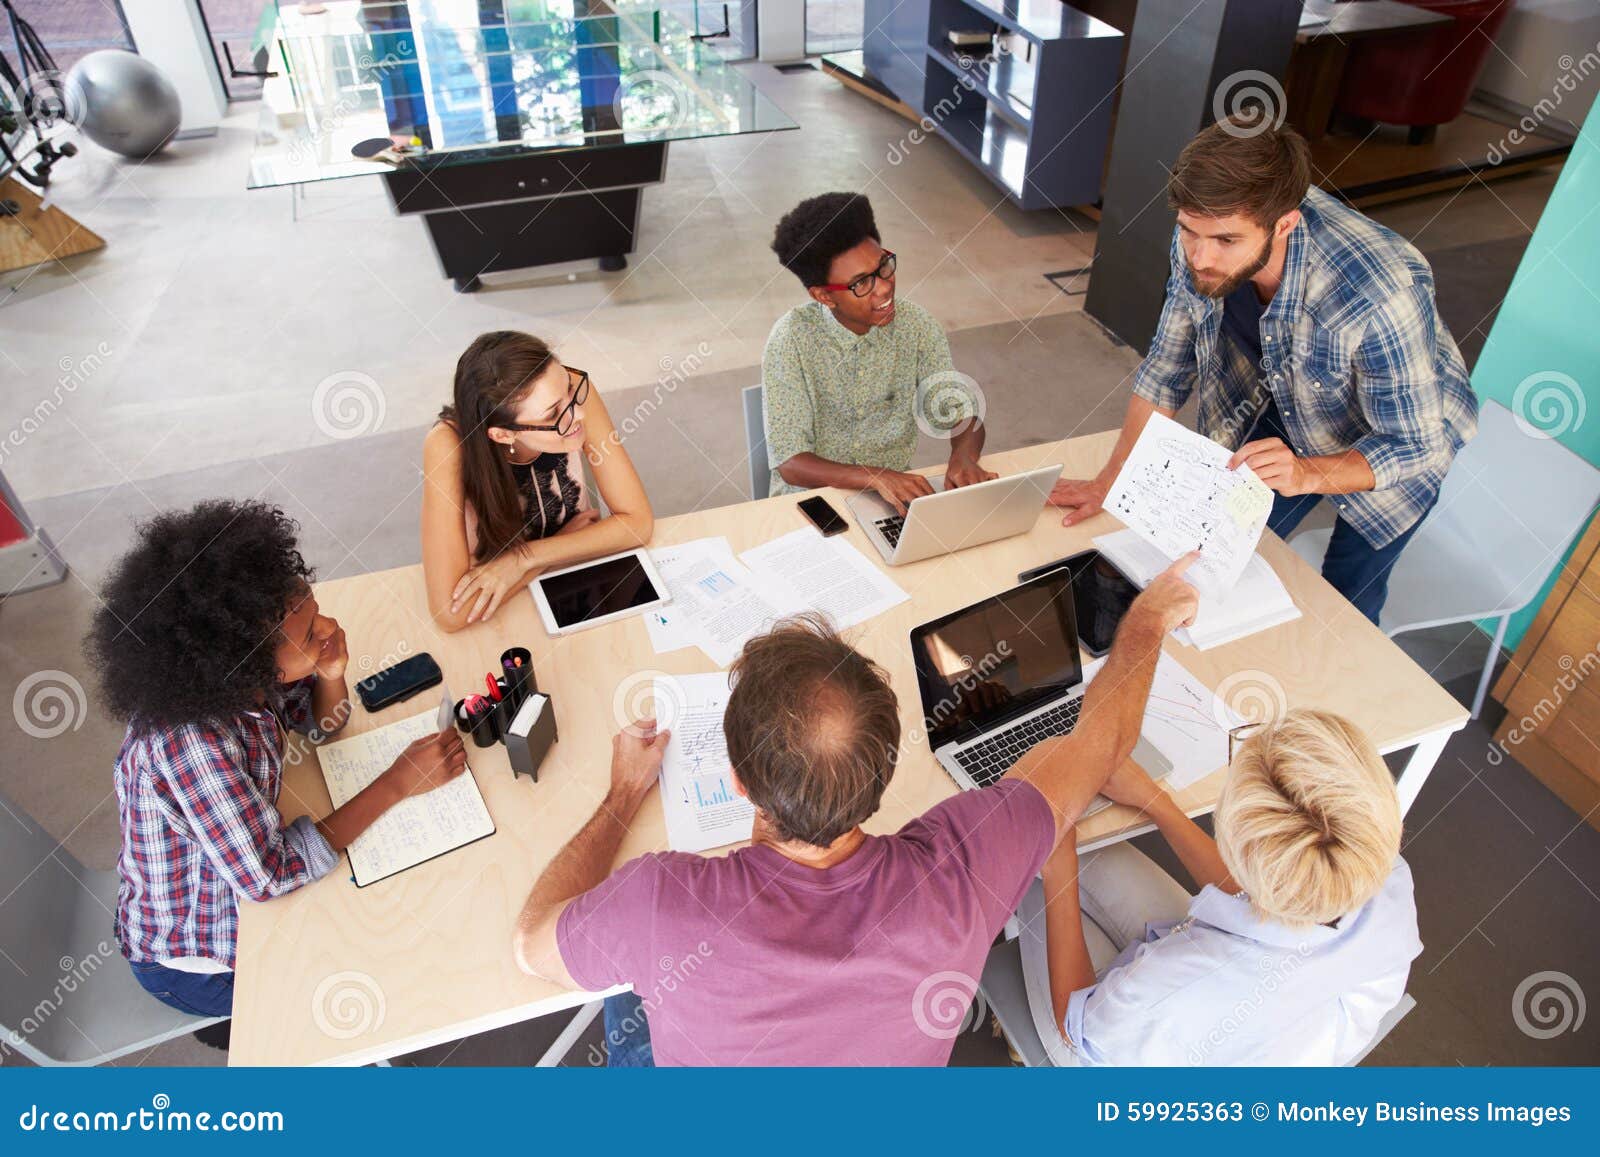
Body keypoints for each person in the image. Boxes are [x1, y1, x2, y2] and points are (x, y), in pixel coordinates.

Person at [509, 559, 1201, 1066]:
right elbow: (1101, 737)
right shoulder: (965, 861)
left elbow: (531, 944)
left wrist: (621, 796)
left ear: (740, 783)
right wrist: (1146, 618)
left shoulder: (662, 902)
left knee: (624, 998)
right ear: (883, 770)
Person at [1050, 115, 1478, 624]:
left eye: (1226, 241)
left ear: (1285, 224)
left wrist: (1307, 472)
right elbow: (1166, 370)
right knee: (1214, 552)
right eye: (1189, 232)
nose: (1201, 258)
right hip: (1283, 398)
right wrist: (1112, 478)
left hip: (1400, 434)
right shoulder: (1205, 234)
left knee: (1346, 598)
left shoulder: (1380, 289)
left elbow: (1416, 444)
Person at [87, 500, 468, 1022]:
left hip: (241, 877)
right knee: (375, 961)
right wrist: (399, 782)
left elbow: (318, 727)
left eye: (317, 612)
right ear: (244, 659)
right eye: (311, 633)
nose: (330, 625)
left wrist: (329, 670)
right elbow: (269, 876)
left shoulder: (238, 684)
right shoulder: (191, 746)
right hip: (202, 961)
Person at [1020, 708, 1422, 1066]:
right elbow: (1280, 890)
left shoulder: (1171, 989)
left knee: (1026, 870)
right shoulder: (1379, 869)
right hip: (1248, 1023)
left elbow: (1079, 1025)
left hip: (1112, 1048)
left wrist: (1058, 874)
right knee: (1089, 854)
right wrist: (1155, 801)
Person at [764, 192, 996, 512]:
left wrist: (964, 457)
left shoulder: (916, 325)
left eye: (883, 266)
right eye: (861, 283)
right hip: (812, 504)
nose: (885, 287)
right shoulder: (791, 339)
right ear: (824, 296)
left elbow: (961, 416)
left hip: (891, 500)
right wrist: (875, 477)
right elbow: (791, 462)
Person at [421, 331, 654, 630]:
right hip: (507, 602)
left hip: (569, 579)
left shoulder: (568, 393)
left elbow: (638, 523)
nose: (579, 413)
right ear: (504, 435)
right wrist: (554, 550)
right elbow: (451, 613)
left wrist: (522, 560)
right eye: (553, 415)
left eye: (570, 391)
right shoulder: (446, 445)